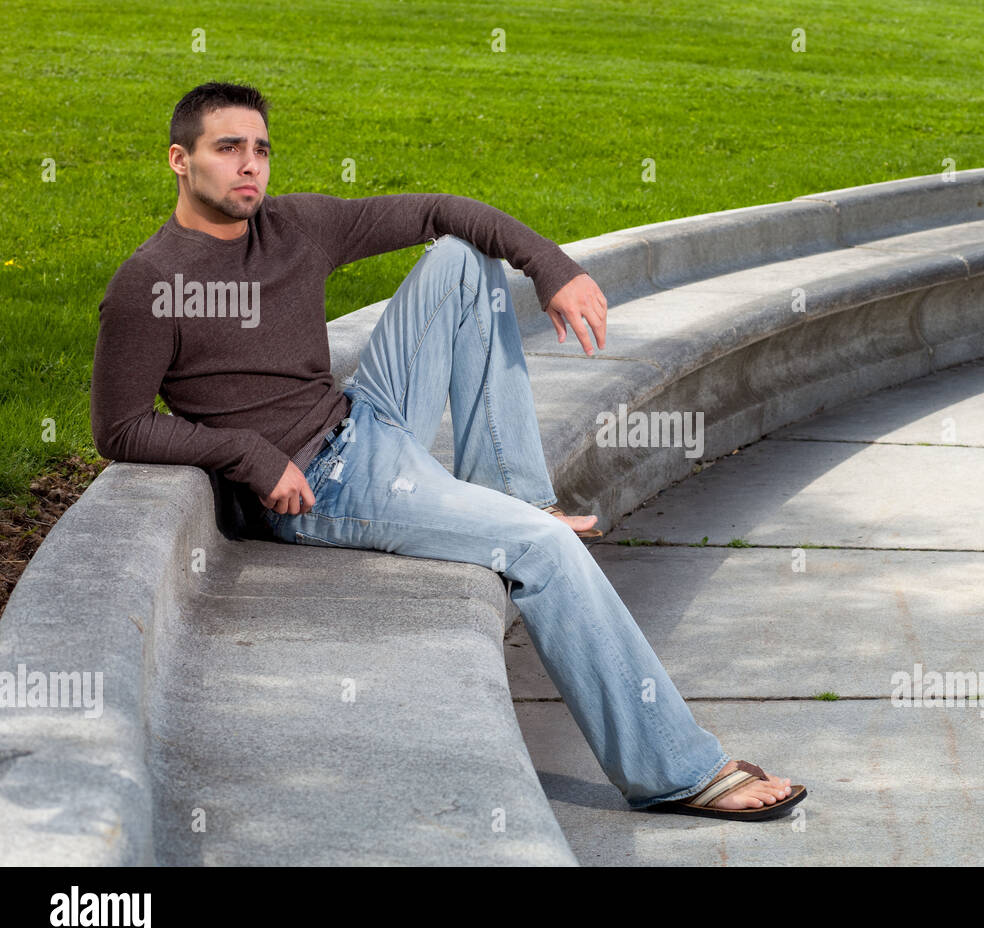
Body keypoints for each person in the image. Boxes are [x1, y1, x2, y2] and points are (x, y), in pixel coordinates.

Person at [90, 81, 805, 821]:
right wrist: (248, 454)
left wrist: (551, 267)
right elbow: (118, 428)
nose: (251, 167)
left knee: (465, 260)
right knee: (544, 552)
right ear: (180, 160)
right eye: (228, 149)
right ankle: (677, 772)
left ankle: (516, 494)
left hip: (367, 417)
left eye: (261, 149)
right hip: (328, 486)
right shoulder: (148, 286)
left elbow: (441, 210)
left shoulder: (295, 226)